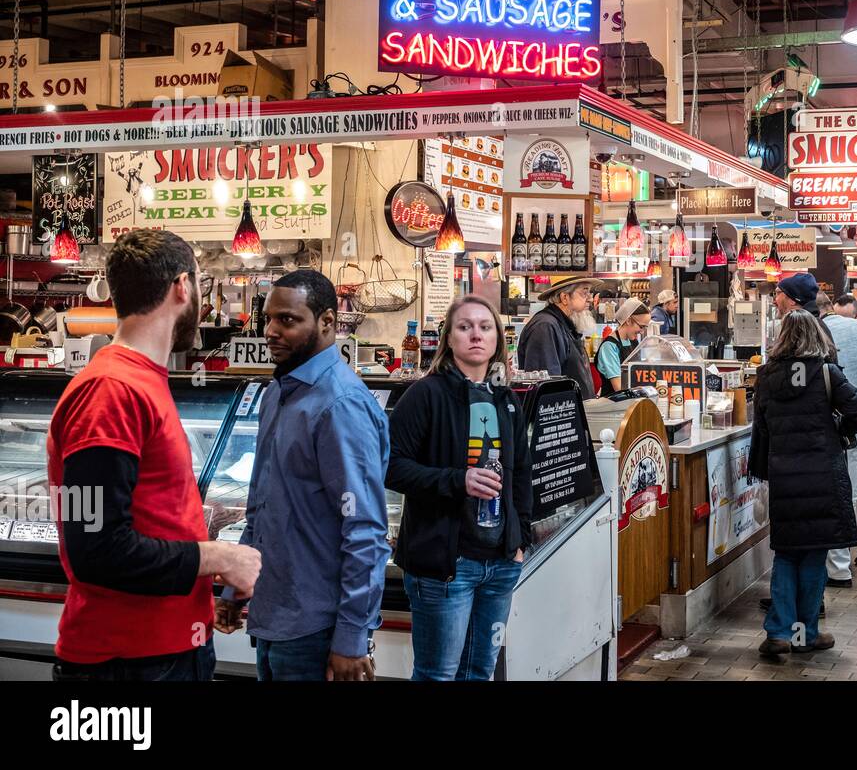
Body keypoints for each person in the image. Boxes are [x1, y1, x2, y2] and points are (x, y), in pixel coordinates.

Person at [46, 229, 261, 681]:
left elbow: (146, 517)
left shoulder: (138, 380)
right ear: (182, 287)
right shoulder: (110, 391)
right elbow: (97, 549)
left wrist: (203, 569)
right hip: (127, 664)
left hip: (163, 653)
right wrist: (219, 557)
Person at [213, 270, 389, 681]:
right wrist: (236, 589)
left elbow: (365, 532)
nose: (271, 331)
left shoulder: (340, 405)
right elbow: (261, 508)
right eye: (268, 319)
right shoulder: (277, 393)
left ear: (326, 322)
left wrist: (351, 637)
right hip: (273, 611)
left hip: (317, 628)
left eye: (288, 321)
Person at [386, 295, 532, 680]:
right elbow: (390, 467)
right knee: (438, 675)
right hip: (445, 566)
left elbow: (521, 472)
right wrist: (458, 480)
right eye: (464, 327)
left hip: (500, 564)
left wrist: (520, 541)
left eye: (485, 327)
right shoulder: (425, 395)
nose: (476, 335)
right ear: (448, 338)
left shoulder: (507, 400)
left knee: (480, 672)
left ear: (498, 339)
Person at [750, 311, 857, 659]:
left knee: (787, 554)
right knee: (814, 554)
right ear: (818, 337)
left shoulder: (765, 376)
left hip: (785, 478)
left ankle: (778, 632)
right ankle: (805, 634)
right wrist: (840, 426)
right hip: (822, 476)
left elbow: (761, 426)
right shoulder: (826, 374)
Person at [822, 301, 857, 587]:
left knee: (828, 497)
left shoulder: (820, 332)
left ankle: (834, 567)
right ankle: (840, 566)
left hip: (829, 425)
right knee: (850, 493)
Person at [516, 274, 603, 399]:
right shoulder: (545, 326)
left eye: (590, 293)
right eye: (584, 293)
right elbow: (548, 388)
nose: (590, 299)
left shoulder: (563, 325)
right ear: (565, 297)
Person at [596, 298, 651, 395]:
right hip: (613, 404)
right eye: (641, 327)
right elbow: (619, 387)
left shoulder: (633, 342)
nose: (642, 331)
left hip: (631, 400)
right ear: (629, 320)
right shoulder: (609, 347)